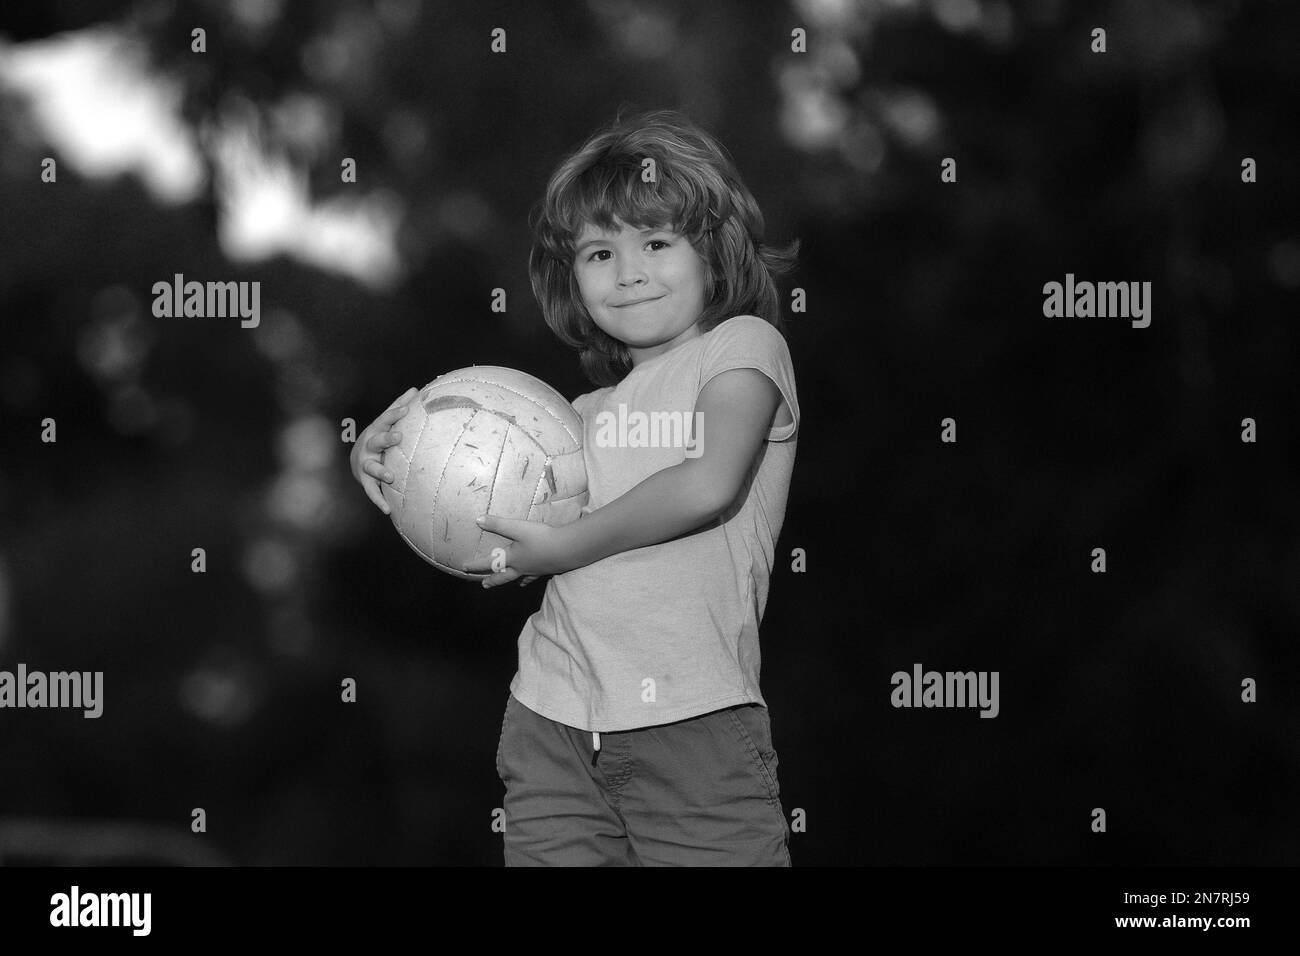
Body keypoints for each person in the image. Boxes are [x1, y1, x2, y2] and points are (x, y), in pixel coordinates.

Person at [350, 108, 800, 865]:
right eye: (598, 252)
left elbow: (708, 484)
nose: (627, 271)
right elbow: (489, 537)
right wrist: (394, 463)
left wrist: (561, 545)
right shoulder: (568, 421)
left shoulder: (742, 351)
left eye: (655, 242)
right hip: (551, 724)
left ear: (715, 253)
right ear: (573, 278)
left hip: (693, 728)